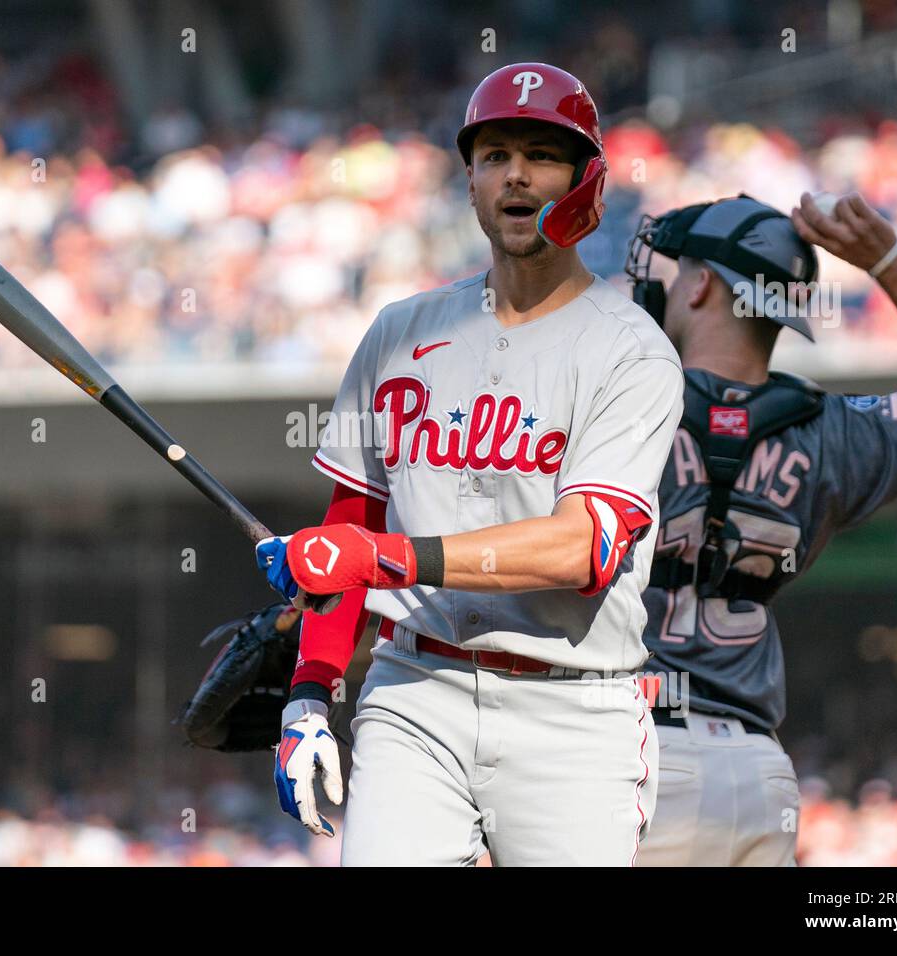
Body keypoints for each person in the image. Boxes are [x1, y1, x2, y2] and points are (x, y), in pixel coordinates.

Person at [253, 63, 684, 866]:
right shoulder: (399, 331)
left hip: (574, 711)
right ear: (472, 182)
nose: (515, 173)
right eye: (493, 155)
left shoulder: (633, 350)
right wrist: (309, 694)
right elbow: (354, 520)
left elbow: (579, 549)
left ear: (586, 180)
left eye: (541, 154)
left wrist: (383, 559)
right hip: (415, 690)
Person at [623, 191, 897, 866]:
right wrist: (887, 259)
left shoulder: (618, 403)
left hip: (633, 755)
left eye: (678, 272)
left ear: (703, 284)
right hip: (758, 778)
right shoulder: (831, 431)